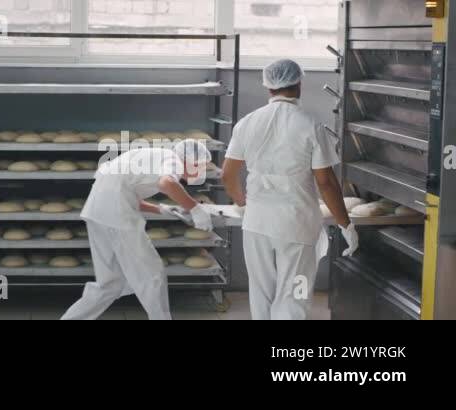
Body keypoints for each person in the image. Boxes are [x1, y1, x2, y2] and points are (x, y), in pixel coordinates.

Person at [222, 59, 359, 321]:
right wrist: (346, 224)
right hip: (295, 224)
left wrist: (243, 202)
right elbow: (326, 183)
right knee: (293, 294)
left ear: (268, 86)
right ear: (299, 84)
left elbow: (228, 174)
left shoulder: (247, 123)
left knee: (261, 293)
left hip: (257, 222)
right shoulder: (310, 125)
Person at [62, 139, 214, 321]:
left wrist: (161, 209)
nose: (201, 173)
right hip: (118, 216)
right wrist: (195, 209)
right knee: (152, 275)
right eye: (200, 166)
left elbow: (126, 190)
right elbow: (167, 184)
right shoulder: (174, 160)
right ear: (190, 160)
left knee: (110, 284)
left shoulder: (153, 156)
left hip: (98, 212)